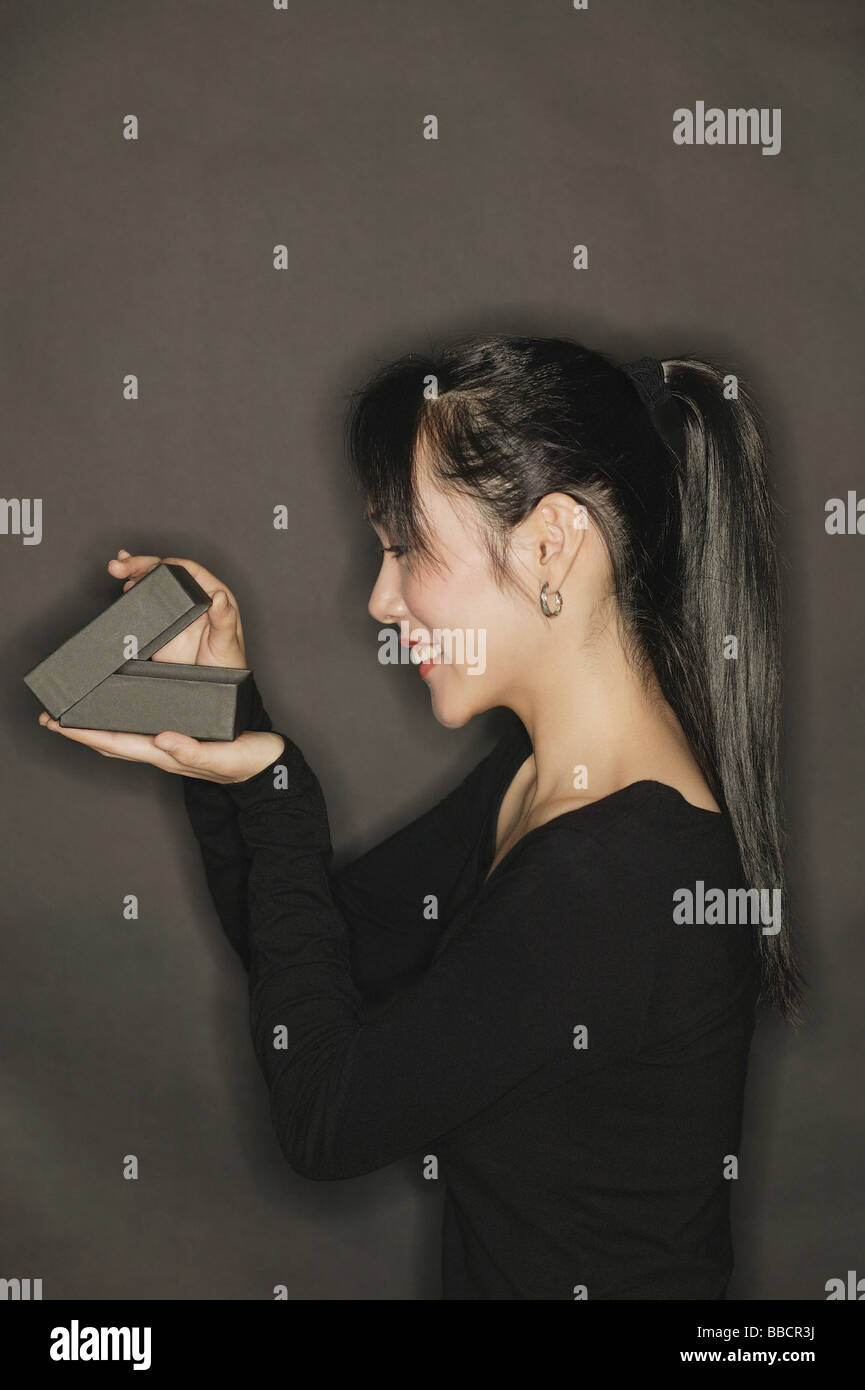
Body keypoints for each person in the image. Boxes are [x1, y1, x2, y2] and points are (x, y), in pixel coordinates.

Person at [38, 334, 805, 1299]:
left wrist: (277, 787)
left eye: (406, 547)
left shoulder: (616, 875)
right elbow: (311, 964)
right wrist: (224, 721)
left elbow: (328, 1118)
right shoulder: (539, 784)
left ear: (550, 543)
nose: (379, 598)